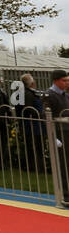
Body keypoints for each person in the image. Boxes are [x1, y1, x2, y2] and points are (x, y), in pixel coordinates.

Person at [45, 69, 69, 208]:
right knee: (63, 166)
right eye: (64, 80)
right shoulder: (49, 95)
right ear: (55, 81)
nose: (67, 83)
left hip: (67, 132)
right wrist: (53, 137)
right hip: (60, 135)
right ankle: (65, 196)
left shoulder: (66, 96)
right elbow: (47, 118)